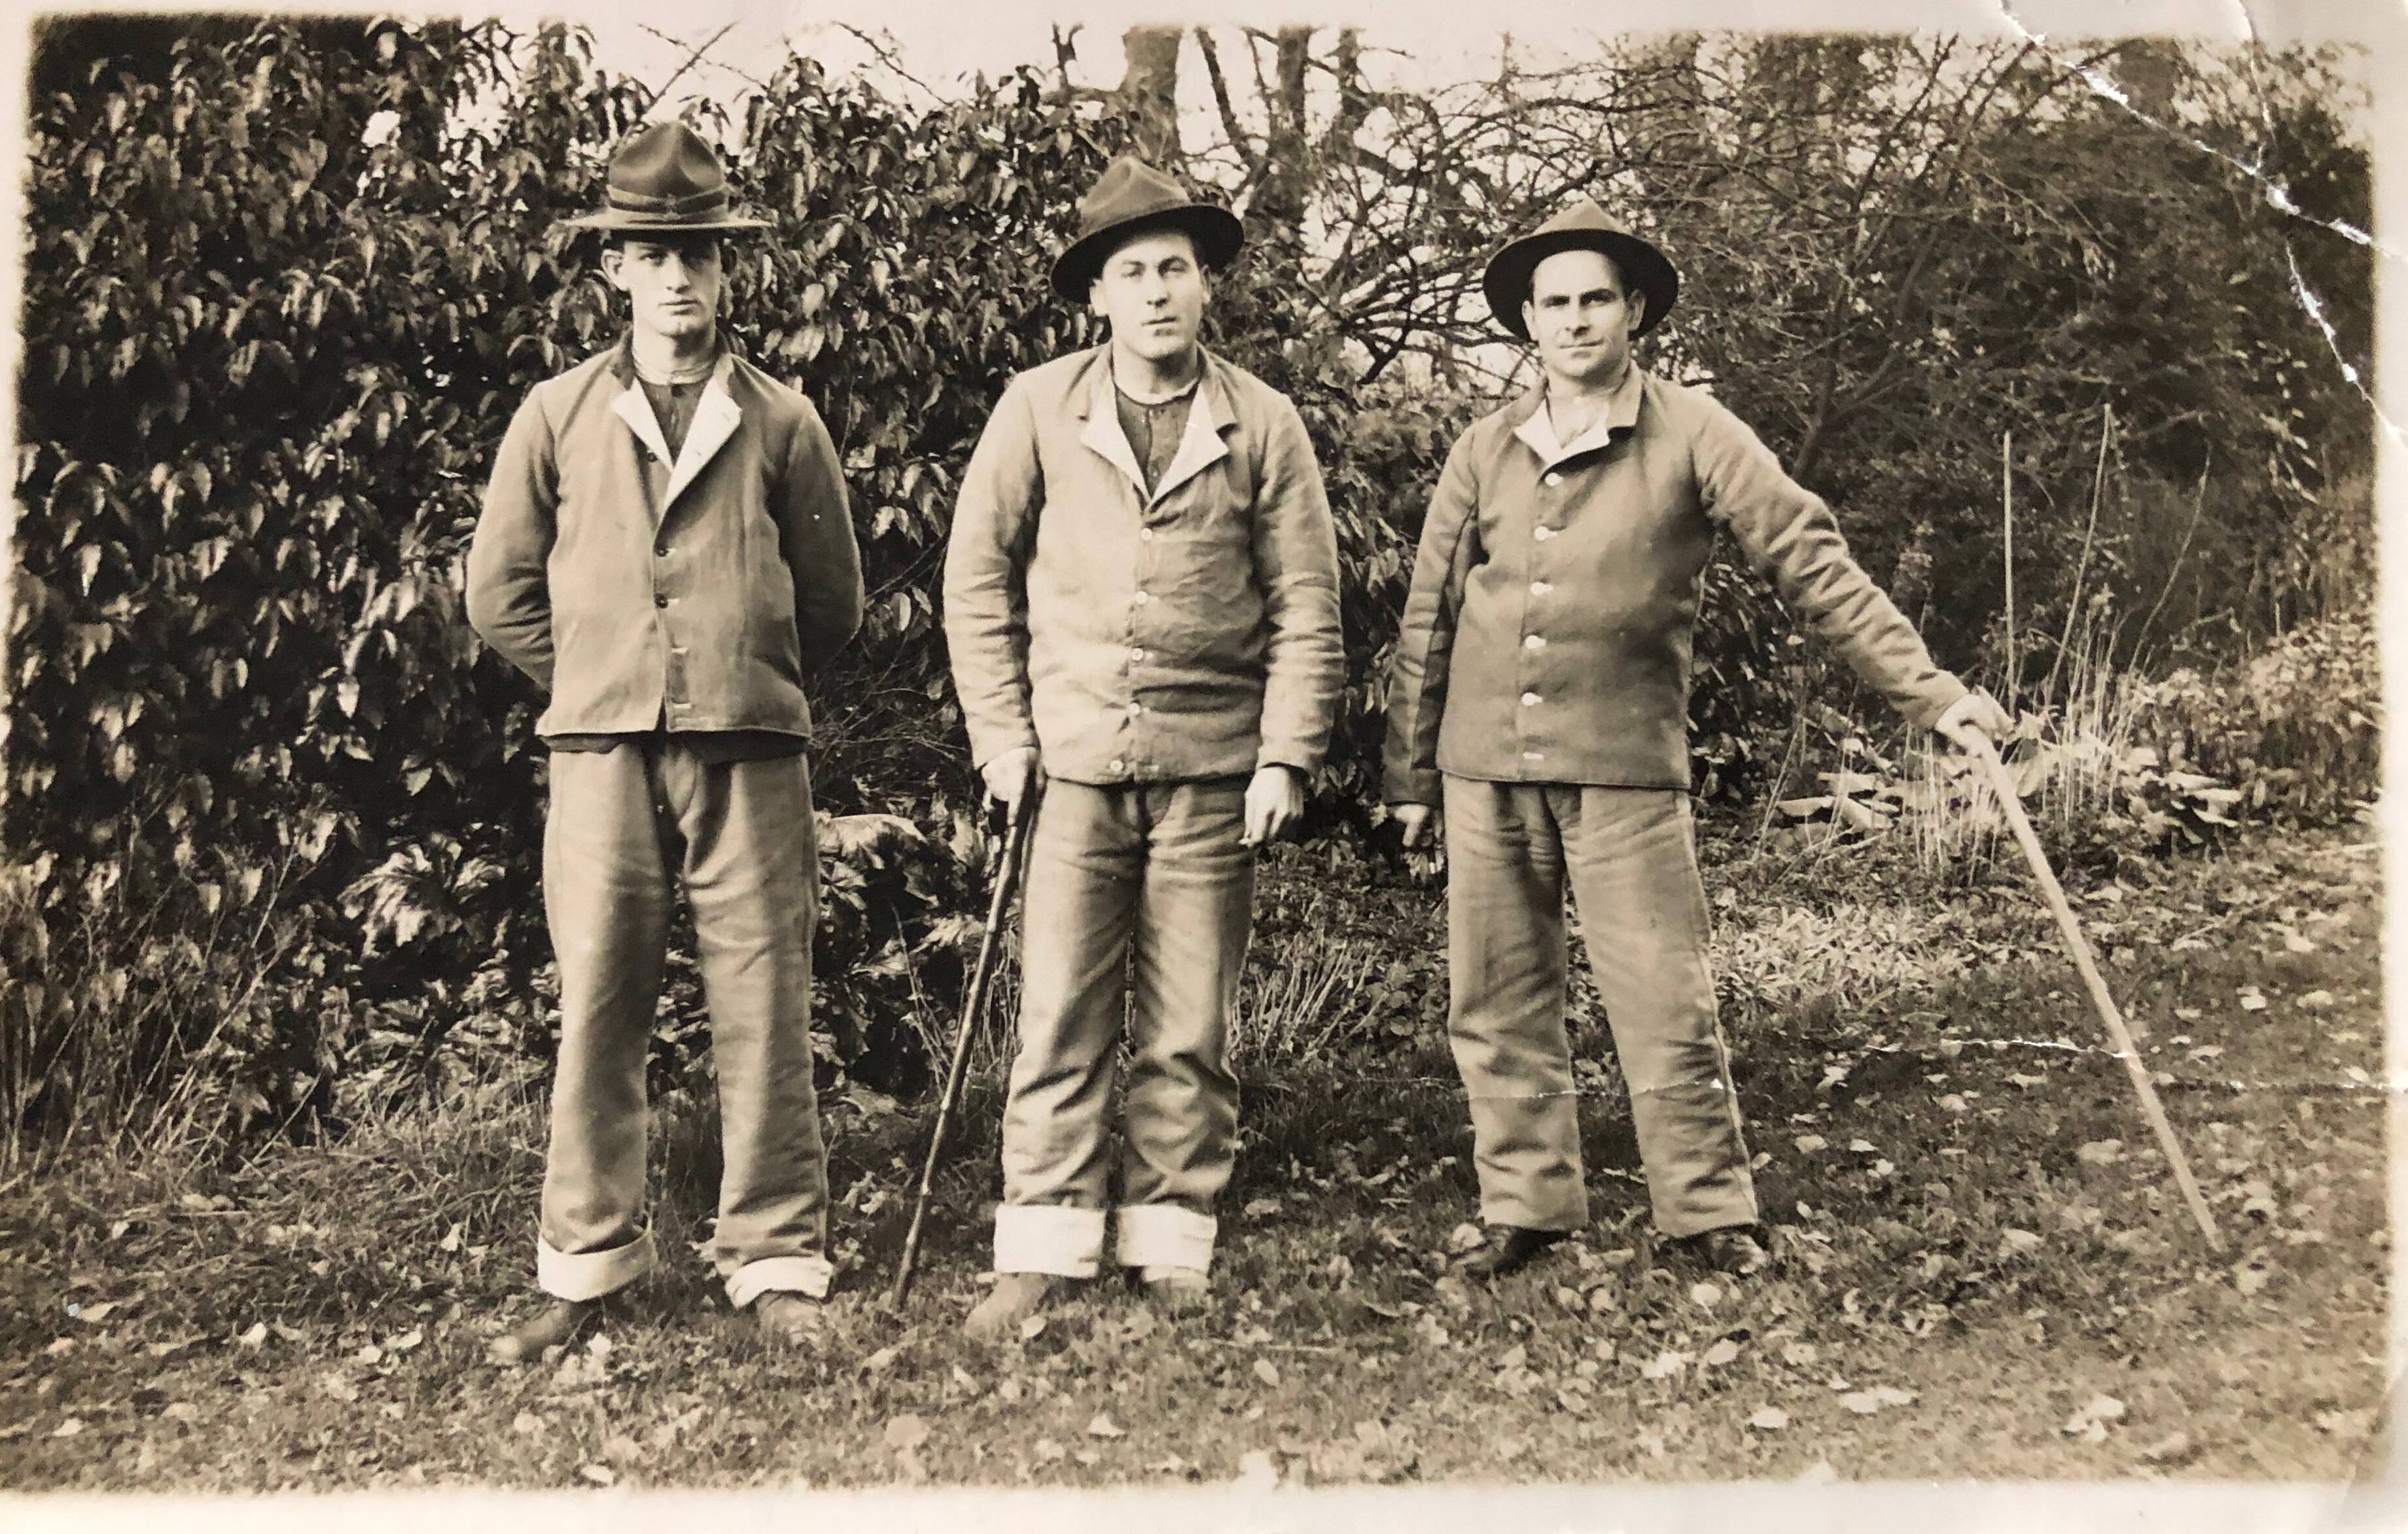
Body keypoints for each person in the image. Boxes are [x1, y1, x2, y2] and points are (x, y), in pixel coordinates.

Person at [1382, 199, 2011, 1280]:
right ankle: (1525, 1207)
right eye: (1555, 303)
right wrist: (1408, 773)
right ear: (1527, 322)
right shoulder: (1484, 448)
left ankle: (1708, 1212)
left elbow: (1811, 563)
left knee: (1661, 991)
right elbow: (1429, 614)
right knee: (1495, 1001)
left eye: (1596, 300)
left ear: (1634, 312)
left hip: (1624, 766)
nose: (1576, 321)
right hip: (1482, 765)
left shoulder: (1697, 432)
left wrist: (1930, 694)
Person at [465, 121, 864, 1359]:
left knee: (765, 999)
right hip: (600, 755)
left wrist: (737, 676)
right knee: (599, 1000)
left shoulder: (784, 418)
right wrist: (600, 677)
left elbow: (832, 600)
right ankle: (585, 1267)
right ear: (616, 271)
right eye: (653, 254)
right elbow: (499, 592)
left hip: (752, 747)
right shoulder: (555, 413)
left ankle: (778, 1260)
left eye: (698, 254)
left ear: (727, 269)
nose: (678, 278)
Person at [942, 156, 1345, 1338]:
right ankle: (1045, 1241)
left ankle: (1173, 1233)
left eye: (1176, 267)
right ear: (1097, 296)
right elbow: (976, 580)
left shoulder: (1263, 420)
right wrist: (1001, 736)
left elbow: (1307, 604)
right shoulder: (1037, 407)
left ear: (1205, 284)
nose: (1158, 291)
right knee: (1061, 1007)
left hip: (1214, 771)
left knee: (1187, 1021)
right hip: (1068, 769)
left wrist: (1286, 755)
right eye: (1133, 272)